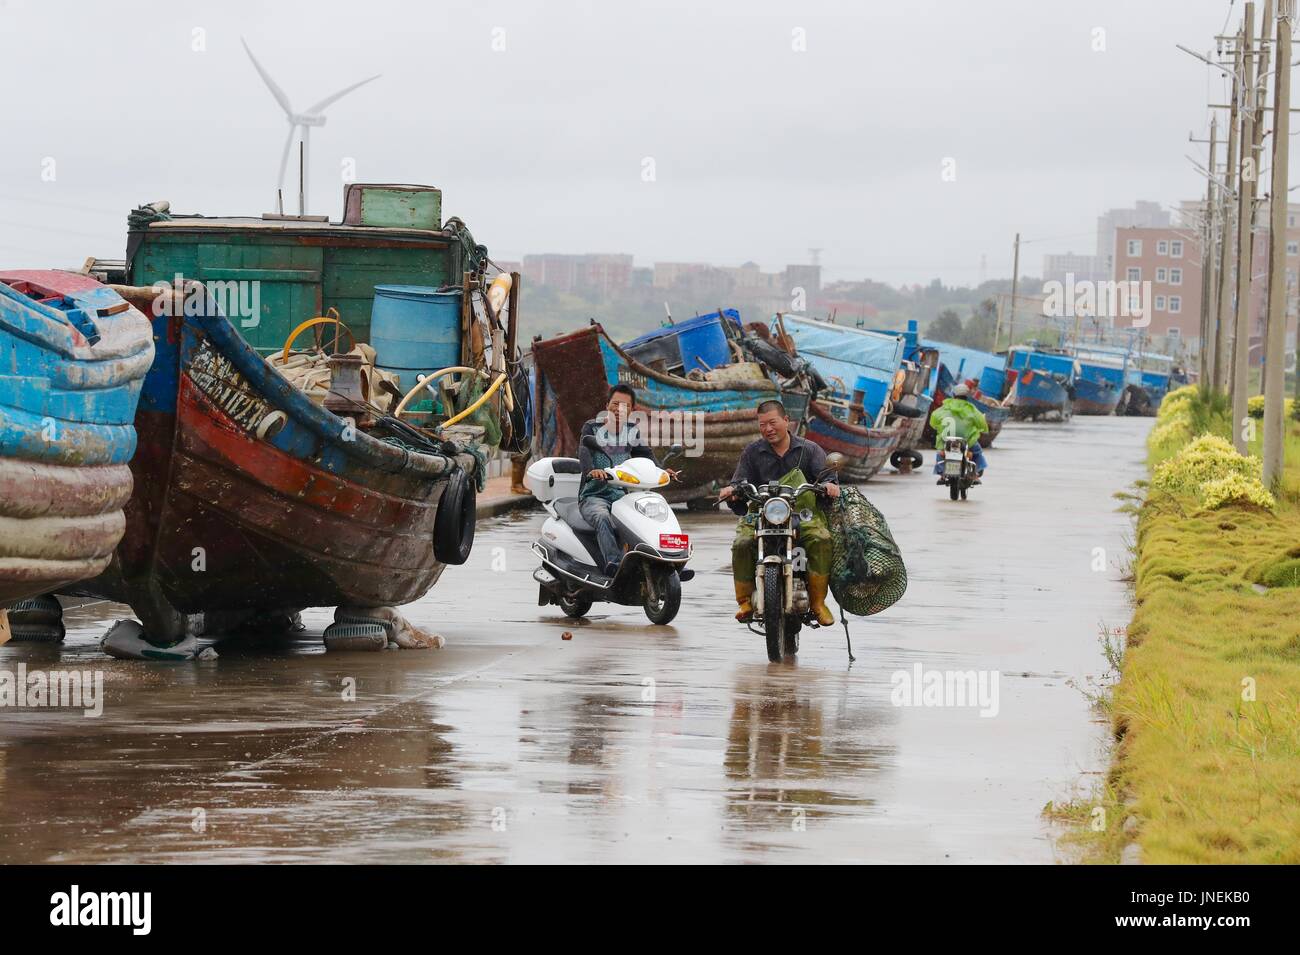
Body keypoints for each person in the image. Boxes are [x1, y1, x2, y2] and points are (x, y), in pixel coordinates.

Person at [719, 399, 840, 626]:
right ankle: (744, 601)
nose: (768, 429)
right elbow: (739, 482)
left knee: (821, 538)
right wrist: (732, 490)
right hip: (762, 514)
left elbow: (827, 478)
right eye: (762, 424)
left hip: (801, 514)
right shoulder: (753, 452)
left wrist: (830, 486)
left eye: (772, 423)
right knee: (742, 543)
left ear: (787, 421)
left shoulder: (809, 449)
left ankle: (818, 602)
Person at [577, 384, 655, 577]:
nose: (618, 410)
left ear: (632, 410)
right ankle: (614, 563)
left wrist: (662, 470)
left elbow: (645, 455)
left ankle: (664, 559)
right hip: (593, 496)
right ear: (607, 405)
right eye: (614, 404)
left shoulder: (632, 431)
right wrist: (592, 471)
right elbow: (584, 450)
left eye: (625, 406)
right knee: (602, 517)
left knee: (651, 513)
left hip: (622, 496)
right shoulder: (593, 427)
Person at [929, 382, 989, 482]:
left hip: (946, 441)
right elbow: (982, 424)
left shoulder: (944, 407)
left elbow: (933, 421)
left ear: (954, 395)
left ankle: (942, 474)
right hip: (966, 442)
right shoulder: (971, 409)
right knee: (977, 451)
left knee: (941, 452)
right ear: (967, 396)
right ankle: (976, 473)